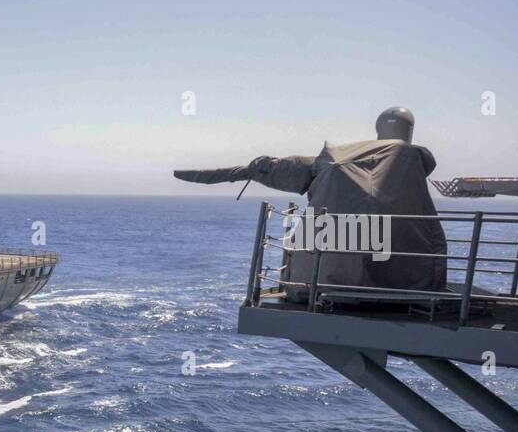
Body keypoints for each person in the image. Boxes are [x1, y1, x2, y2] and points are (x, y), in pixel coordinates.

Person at [175, 107, 447, 300]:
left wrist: (253, 168)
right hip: (411, 276)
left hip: (325, 274)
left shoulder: (333, 161)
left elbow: (284, 169)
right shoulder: (413, 161)